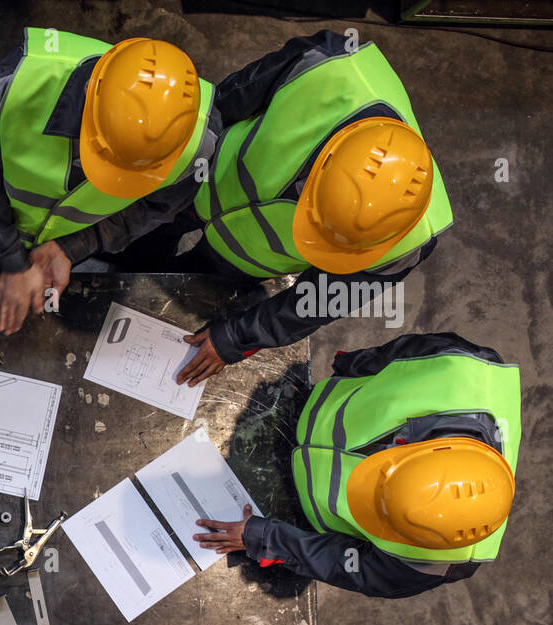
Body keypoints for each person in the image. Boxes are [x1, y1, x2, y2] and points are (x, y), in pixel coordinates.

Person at [171, 30, 453, 386]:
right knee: (136, 242)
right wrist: (174, 168)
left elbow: (318, 300)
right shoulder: (327, 68)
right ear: (322, 163)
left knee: (191, 282)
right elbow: (221, 104)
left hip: (244, 257)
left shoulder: (410, 242)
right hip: (194, 181)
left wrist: (234, 339)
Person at [0, 29, 220, 335]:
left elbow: (151, 210)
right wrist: (12, 259)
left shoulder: (199, 142)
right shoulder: (21, 80)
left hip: (64, 237)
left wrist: (71, 247)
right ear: (87, 91)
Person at [193, 333, 520, 599]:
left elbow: (343, 563)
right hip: (310, 408)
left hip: (298, 505)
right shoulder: (466, 369)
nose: (369, 495)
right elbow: (392, 356)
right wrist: (349, 364)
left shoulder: (438, 562)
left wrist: (264, 537)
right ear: (408, 446)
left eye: (382, 508)